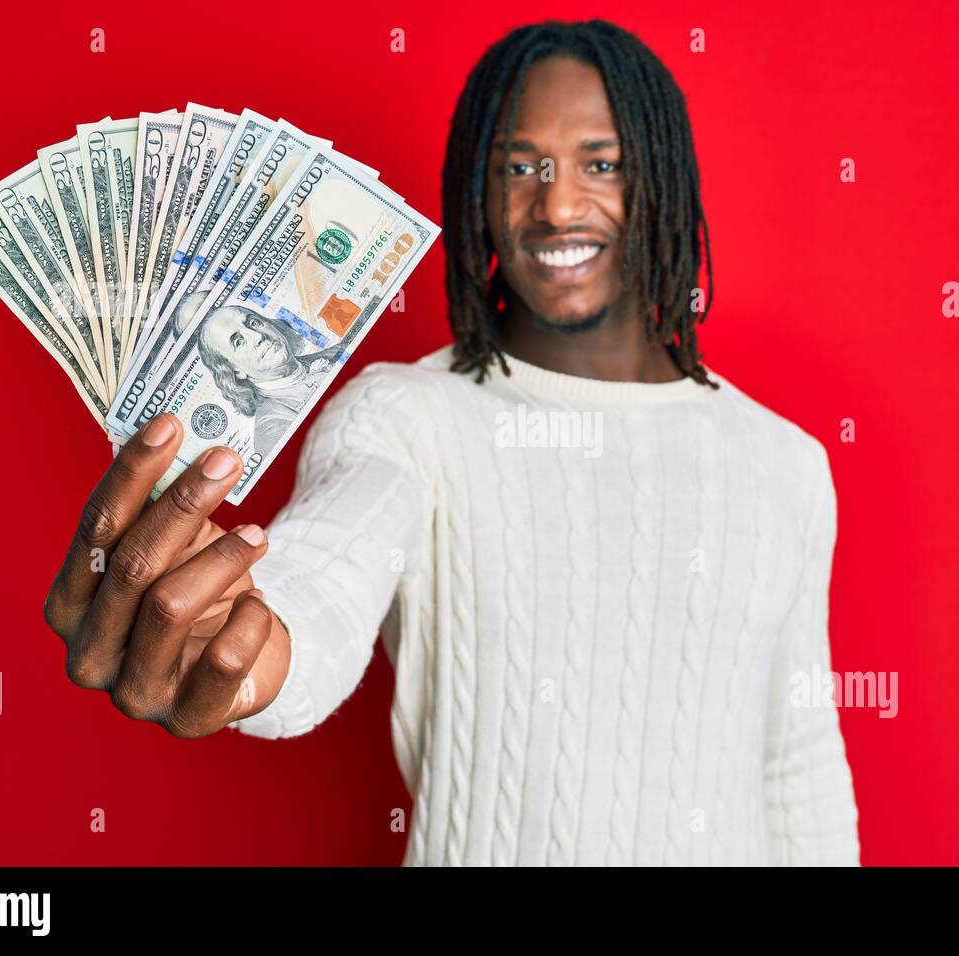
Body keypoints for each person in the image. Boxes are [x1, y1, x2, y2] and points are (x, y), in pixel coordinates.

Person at [43, 19, 861, 866]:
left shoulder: (785, 464)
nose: (558, 205)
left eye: (602, 163)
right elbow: (320, 584)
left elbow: (796, 764)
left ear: (664, 179)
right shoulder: (406, 418)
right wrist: (245, 646)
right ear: (476, 188)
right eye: (518, 167)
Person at [194, 303, 346, 456]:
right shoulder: (273, 428)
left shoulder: (338, 353)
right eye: (239, 342)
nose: (258, 336)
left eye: (253, 323)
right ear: (235, 370)